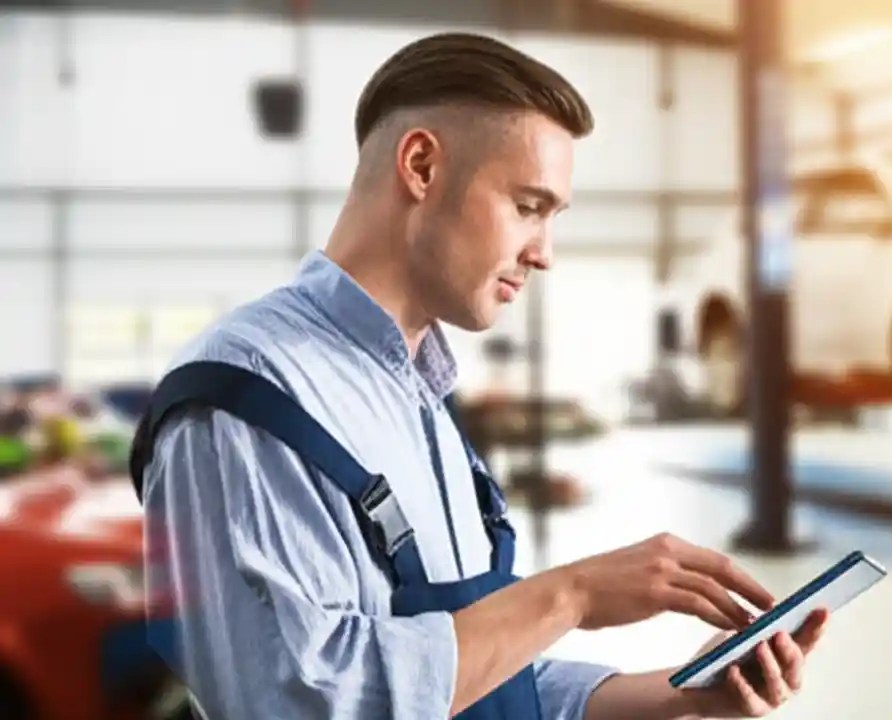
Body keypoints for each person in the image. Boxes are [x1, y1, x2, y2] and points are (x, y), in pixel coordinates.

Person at [131, 32, 828, 719]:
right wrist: (571, 595)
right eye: (528, 207)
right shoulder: (241, 401)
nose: (544, 253)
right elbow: (300, 702)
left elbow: (483, 679)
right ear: (423, 166)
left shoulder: (421, 398)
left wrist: (682, 696)